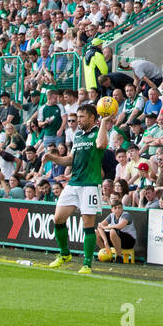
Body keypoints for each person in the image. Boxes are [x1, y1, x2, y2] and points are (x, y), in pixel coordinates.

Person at [41, 102, 110, 273]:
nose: (78, 120)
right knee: (58, 218)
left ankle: (87, 263)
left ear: (92, 117)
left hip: (90, 184)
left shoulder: (98, 133)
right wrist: (53, 158)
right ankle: (65, 253)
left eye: (81, 117)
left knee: (87, 224)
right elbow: (70, 159)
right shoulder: (78, 135)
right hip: (74, 183)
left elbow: (101, 145)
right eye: (77, 117)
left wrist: (103, 123)